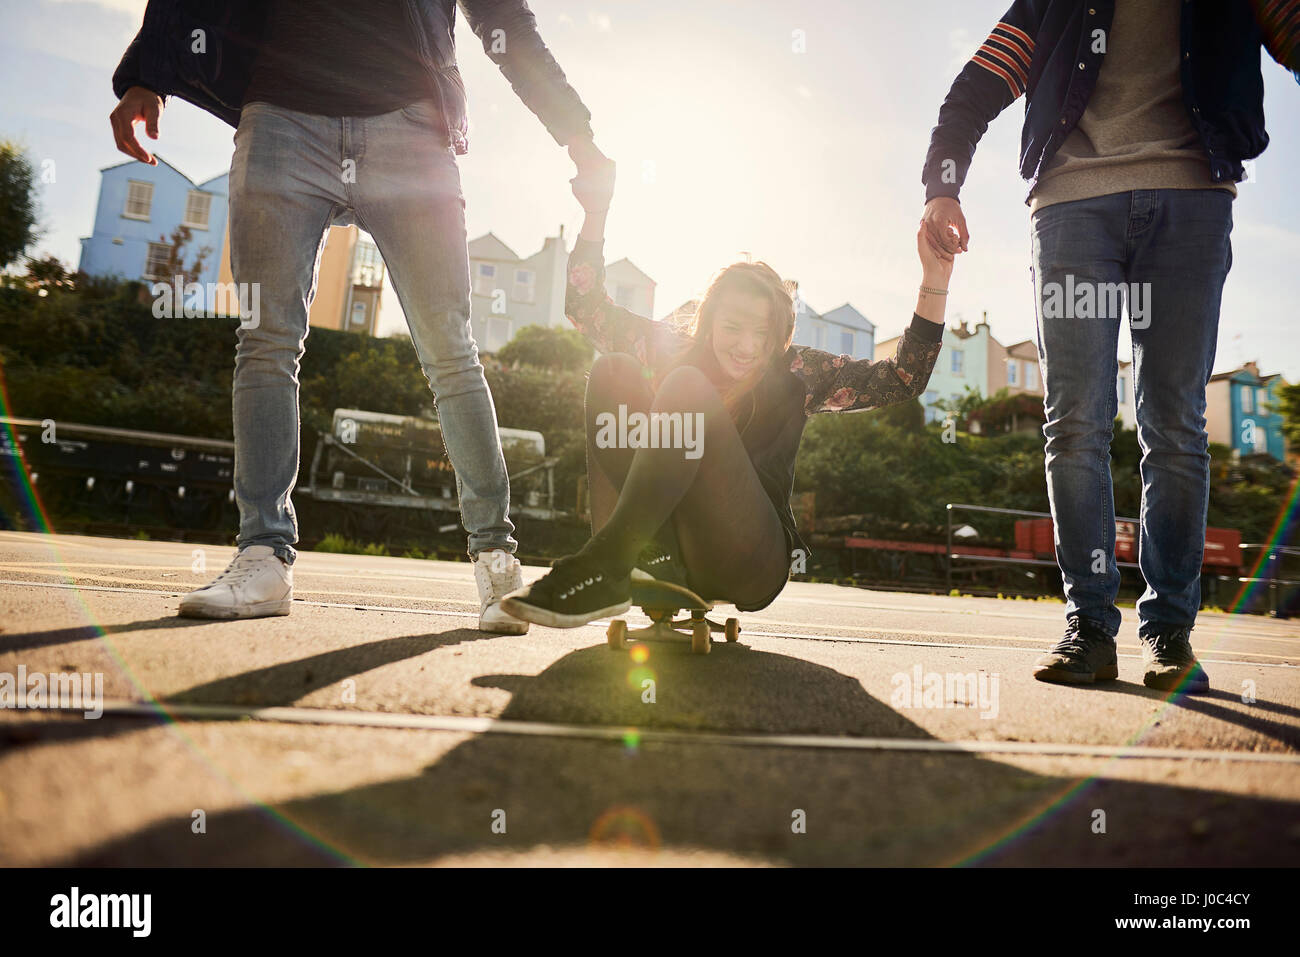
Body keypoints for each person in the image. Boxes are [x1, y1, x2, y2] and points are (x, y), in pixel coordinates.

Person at [107, 0, 612, 631]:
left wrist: (576, 132)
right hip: (280, 119)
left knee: (451, 352)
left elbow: (503, 18)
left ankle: (495, 557)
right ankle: (262, 555)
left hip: (412, 128)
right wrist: (147, 73)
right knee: (265, 340)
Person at [920, 0, 1298, 693]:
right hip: (1072, 205)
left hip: (1192, 196)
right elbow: (978, 83)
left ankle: (1169, 636)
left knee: (1176, 421)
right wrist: (942, 186)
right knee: (1076, 421)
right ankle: (1089, 627)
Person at [501, 163, 952, 628]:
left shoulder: (799, 371)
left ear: (780, 333)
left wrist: (934, 280)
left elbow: (902, 378)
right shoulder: (671, 349)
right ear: (709, 321)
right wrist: (595, 213)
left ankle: (606, 562)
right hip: (673, 551)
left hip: (749, 557)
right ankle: (648, 560)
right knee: (614, 371)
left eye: (763, 332)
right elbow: (585, 306)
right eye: (733, 327)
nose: (747, 346)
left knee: (686, 387)